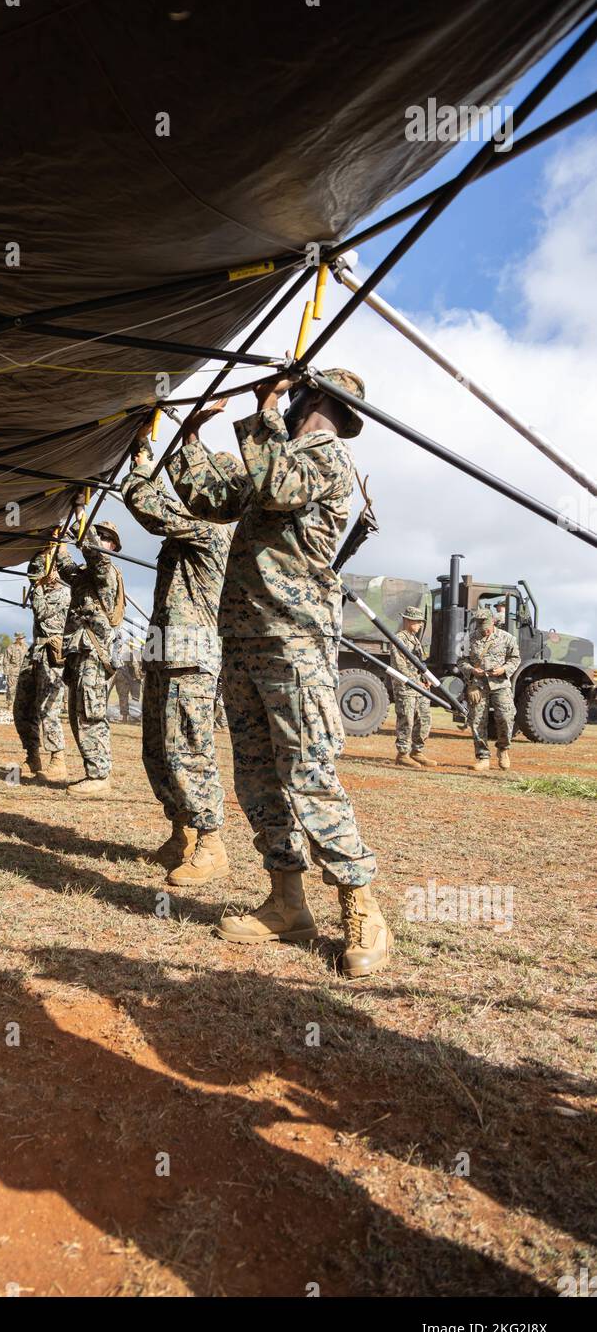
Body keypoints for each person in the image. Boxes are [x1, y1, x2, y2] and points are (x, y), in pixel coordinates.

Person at [165, 368, 391, 978]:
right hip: (244, 641)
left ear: (315, 400)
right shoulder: (280, 450)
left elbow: (273, 484)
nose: (284, 405)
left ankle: (360, 905)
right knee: (259, 779)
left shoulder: (324, 457)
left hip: (294, 645)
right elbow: (211, 498)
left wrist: (264, 409)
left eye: (293, 397)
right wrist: (187, 435)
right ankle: (287, 903)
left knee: (309, 776)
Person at [122, 423, 232, 883]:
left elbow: (150, 505)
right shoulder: (187, 533)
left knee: (188, 749)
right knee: (158, 750)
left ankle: (211, 842)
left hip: (192, 656)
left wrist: (143, 466)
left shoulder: (212, 530)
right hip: (165, 652)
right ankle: (181, 830)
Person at [55, 520, 124, 797]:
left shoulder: (107, 571)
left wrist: (82, 523)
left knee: (90, 714)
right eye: (100, 535)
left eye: (106, 537)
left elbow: (95, 554)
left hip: (94, 654)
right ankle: (94, 772)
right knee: (77, 714)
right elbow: (64, 567)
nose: (101, 540)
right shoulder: (86, 575)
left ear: (114, 547)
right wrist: (58, 539)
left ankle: (99, 776)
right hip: (79, 652)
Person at [13, 551, 71, 780]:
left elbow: (43, 613)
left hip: (52, 654)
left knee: (48, 709)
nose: (34, 581)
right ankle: (32, 755)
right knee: (23, 707)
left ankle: (58, 761)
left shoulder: (63, 593)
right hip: (36, 652)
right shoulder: (42, 590)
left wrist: (37, 590)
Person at [458, 605, 521, 771]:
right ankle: (482, 757)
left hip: (500, 684)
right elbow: (461, 661)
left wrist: (504, 669)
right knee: (477, 721)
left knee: (507, 717)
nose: (484, 631)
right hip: (478, 685)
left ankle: (503, 749)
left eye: (486, 628)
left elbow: (515, 659)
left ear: (493, 621)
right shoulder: (469, 638)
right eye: (481, 628)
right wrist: (471, 671)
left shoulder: (507, 638)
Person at [390, 605, 436, 768]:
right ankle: (402, 754)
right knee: (407, 719)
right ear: (408, 621)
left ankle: (417, 751)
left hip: (419, 686)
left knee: (424, 719)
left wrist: (425, 677)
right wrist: (415, 681)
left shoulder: (415, 640)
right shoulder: (399, 639)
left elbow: (419, 663)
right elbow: (399, 665)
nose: (420, 625)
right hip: (406, 686)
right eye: (417, 622)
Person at [112, 638, 144, 723]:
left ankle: (134, 717)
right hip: (125, 677)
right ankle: (125, 717)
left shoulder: (136, 653)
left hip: (134, 679)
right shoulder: (124, 653)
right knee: (123, 697)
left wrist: (138, 677)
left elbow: (138, 666)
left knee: (134, 698)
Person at [0, 633, 28, 707]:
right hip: (13, 672)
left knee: (23, 689)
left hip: (23, 671)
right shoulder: (11, 648)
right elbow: (6, 660)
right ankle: (10, 704)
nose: (22, 640)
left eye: (23, 638)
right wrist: (6, 672)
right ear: (17, 639)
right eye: (20, 638)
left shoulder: (26, 647)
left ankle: (20, 706)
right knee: (11, 689)